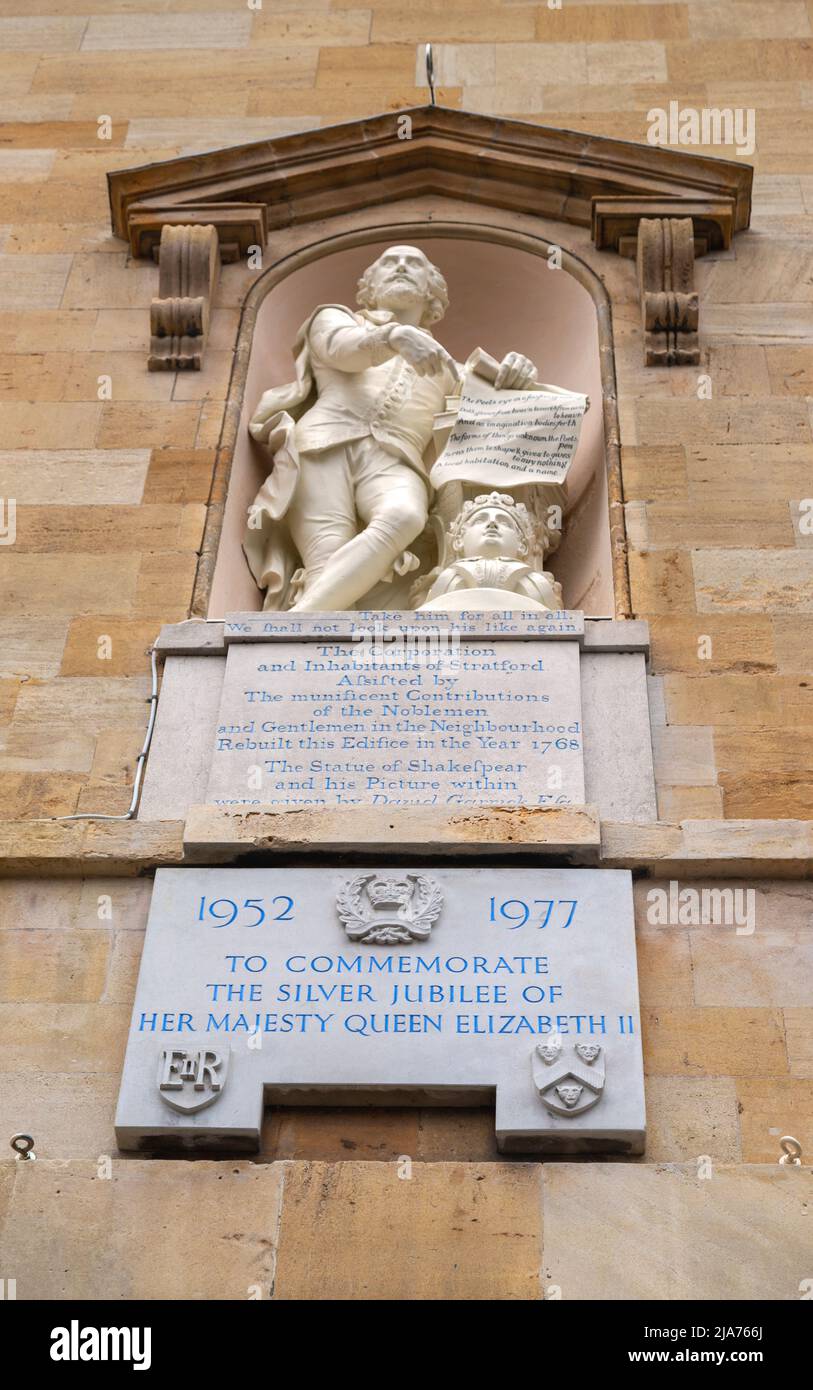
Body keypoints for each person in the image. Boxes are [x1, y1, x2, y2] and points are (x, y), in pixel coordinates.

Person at [245, 244, 539, 611]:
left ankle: (296, 622)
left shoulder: (450, 369)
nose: (401, 266)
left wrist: (519, 375)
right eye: (389, 263)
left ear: (431, 290)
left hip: (398, 460)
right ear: (371, 285)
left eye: (414, 263)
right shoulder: (336, 318)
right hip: (322, 443)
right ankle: (307, 641)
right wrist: (393, 337)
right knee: (326, 554)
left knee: (405, 515)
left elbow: (499, 410)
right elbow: (341, 349)